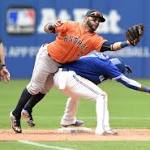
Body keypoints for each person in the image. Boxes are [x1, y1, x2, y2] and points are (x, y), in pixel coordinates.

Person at [10, 9, 142, 133]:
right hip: (47, 57)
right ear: (86, 18)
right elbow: (48, 28)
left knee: (44, 89)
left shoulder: (94, 39)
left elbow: (112, 46)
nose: (96, 22)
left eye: (98, 21)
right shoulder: (70, 25)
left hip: (61, 64)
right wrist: (50, 27)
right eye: (94, 18)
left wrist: (128, 42)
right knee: (35, 87)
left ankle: (27, 109)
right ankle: (15, 114)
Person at [22, 52, 150, 135]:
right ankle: (103, 128)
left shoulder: (103, 62)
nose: (113, 77)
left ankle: (68, 120)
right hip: (67, 76)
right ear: (115, 70)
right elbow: (127, 82)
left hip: (61, 77)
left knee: (75, 94)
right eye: (116, 74)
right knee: (102, 96)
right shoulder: (108, 66)